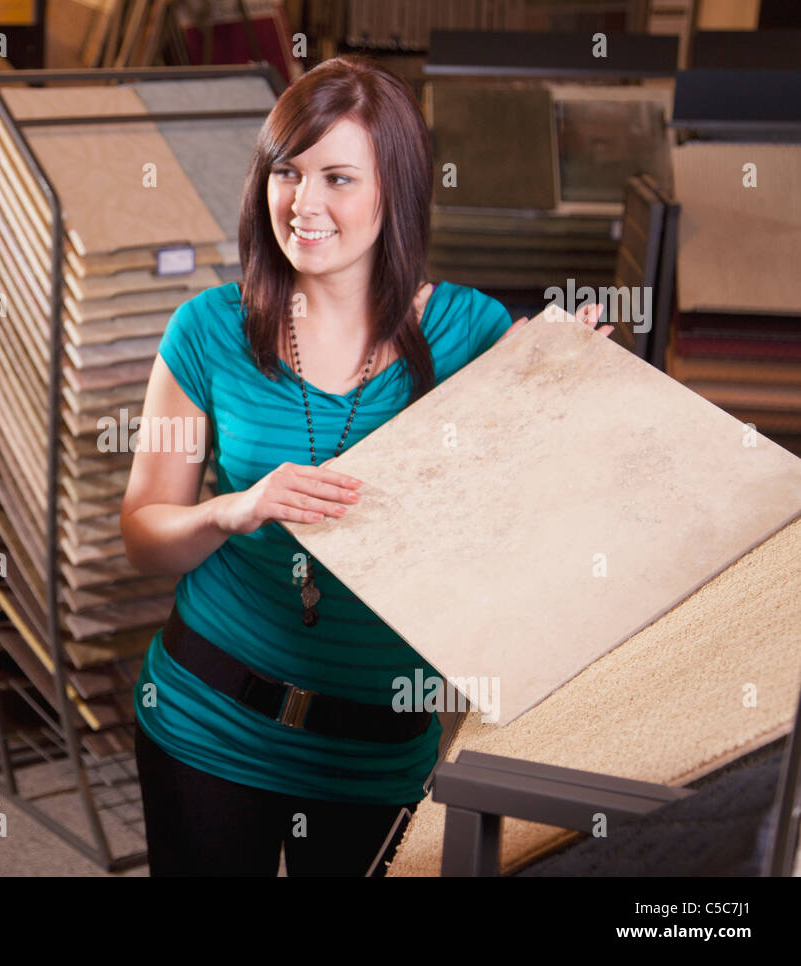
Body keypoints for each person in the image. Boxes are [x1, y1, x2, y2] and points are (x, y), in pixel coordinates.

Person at [121, 56, 612, 876]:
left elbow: (530, 538)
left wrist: (543, 405)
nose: (304, 205)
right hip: (207, 718)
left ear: (398, 190)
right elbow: (144, 534)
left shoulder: (472, 335)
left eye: (339, 178)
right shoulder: (206, 330)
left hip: (380, 749)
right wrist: (231, 511)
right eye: (287, 173)